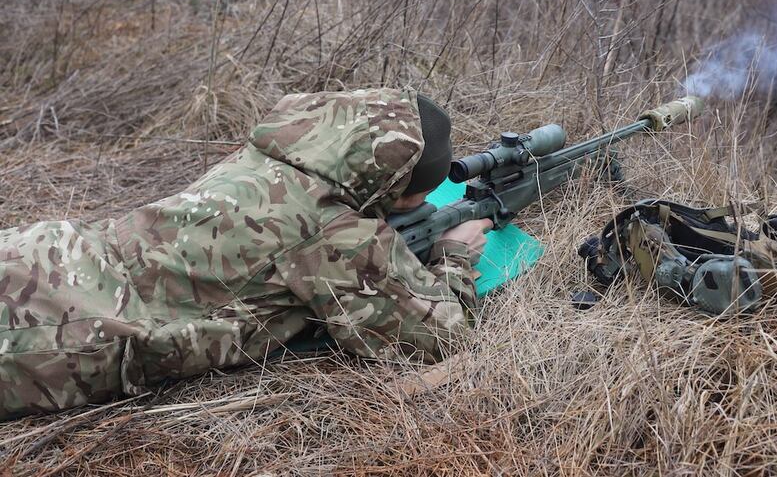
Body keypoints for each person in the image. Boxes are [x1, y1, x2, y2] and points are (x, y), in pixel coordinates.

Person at [0, 88, 492, 419]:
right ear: (393, 182)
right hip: (63, 328)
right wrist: (453, 254)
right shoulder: (331, 232)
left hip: (46, 249)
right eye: (417, 192)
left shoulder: (270, 157)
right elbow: (436, 339)